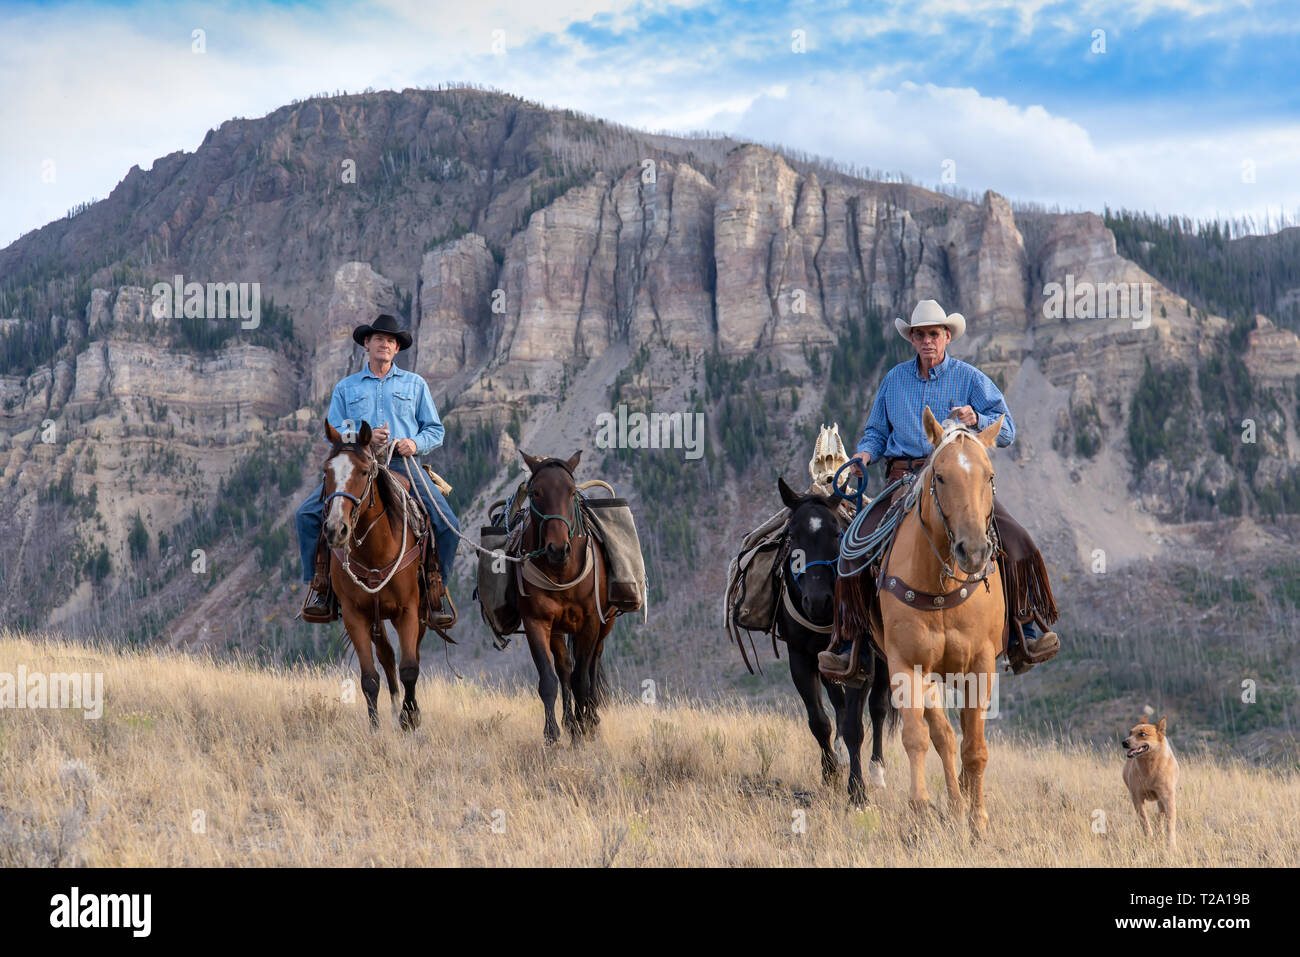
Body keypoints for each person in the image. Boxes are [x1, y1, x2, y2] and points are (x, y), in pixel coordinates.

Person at [818, 299, 1060, 676]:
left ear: (947, 336)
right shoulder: (894, 380)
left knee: (1015, 538)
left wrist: (978, 417)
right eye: (921, 335)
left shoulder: (970, 378)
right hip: (903, 480)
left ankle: (1023, 628)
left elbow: (1007, 430)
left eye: (934, 333)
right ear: (912, 339)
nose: (928, 340)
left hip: (960, 481)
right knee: (853, 546)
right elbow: (877, 432)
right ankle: (853, 641)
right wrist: (863, 456)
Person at [295, 313, 459, 626]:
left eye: (391, 340)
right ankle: (320, 586)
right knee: (306, 515)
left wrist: (413, 442)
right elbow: (333, 429)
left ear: (397, 349)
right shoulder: (346, 387)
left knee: (448, 523)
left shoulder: (415, 384)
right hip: (358, 463)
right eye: (379, 339)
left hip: (403, 463)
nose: (385, 344)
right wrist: (362, 436)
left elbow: (435, 431)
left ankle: (436, 591)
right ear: (367, 344)